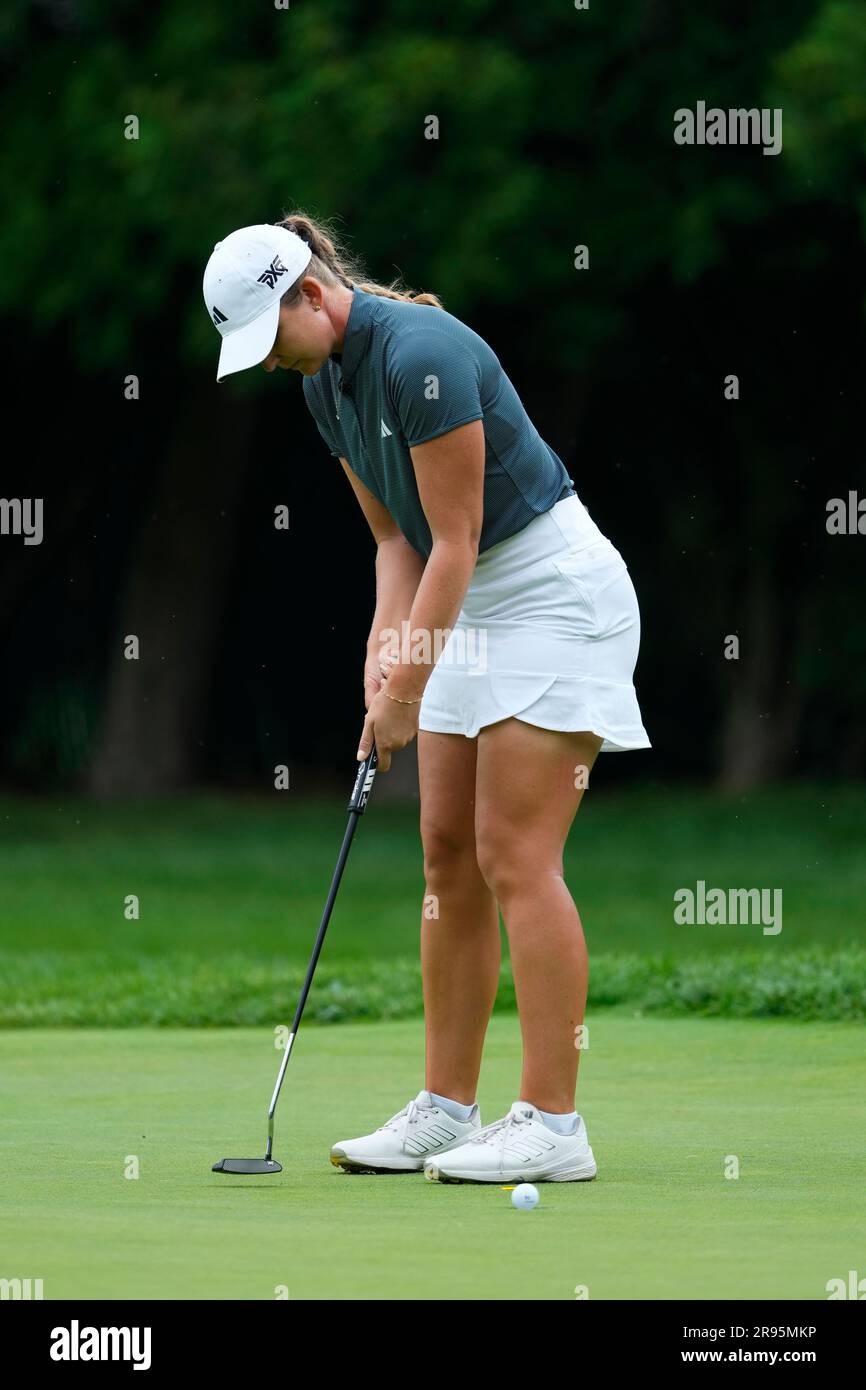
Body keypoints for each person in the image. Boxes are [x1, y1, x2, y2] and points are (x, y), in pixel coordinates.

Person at [203, 214, 651, 1184]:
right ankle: (447, 1109)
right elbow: (394, 544)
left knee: (512, 853)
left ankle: (553, 1124)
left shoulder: (422, 356)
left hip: (548, 594)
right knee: (445, 852)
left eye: (272, 338)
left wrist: (408, 685)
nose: (273, 362)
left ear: (311, 295)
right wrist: (383, 656)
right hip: (462, 594)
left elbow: (457, 535)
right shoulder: (326, 383)